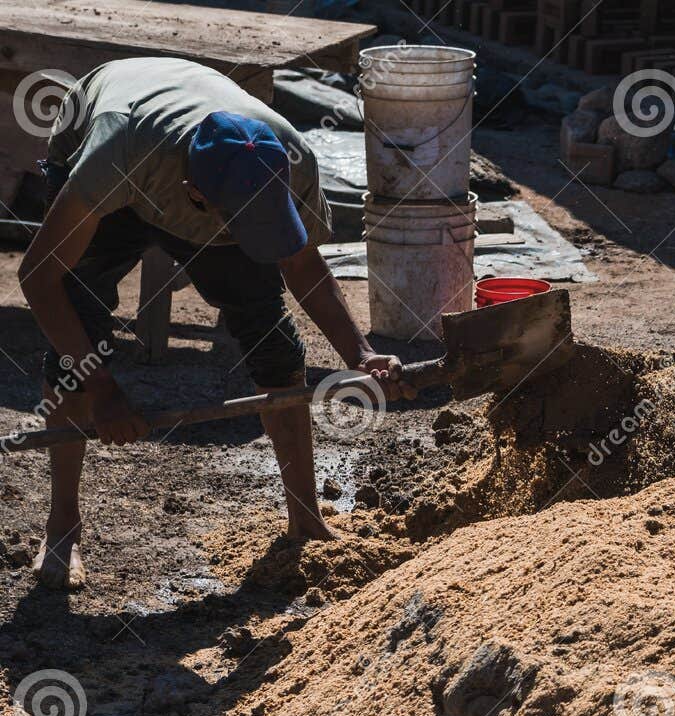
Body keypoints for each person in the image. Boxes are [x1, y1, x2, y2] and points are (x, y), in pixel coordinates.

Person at [18, 58, 406, 591]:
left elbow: (303, 265)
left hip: (190, 165)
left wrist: (359, 355)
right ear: (196, 196)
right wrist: (101, 386)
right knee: (73, 351)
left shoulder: (290, 158)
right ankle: (62, 527)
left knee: (274, 341)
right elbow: (38, 278)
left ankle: (306, 518)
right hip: (111, 152)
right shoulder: (114, 152)